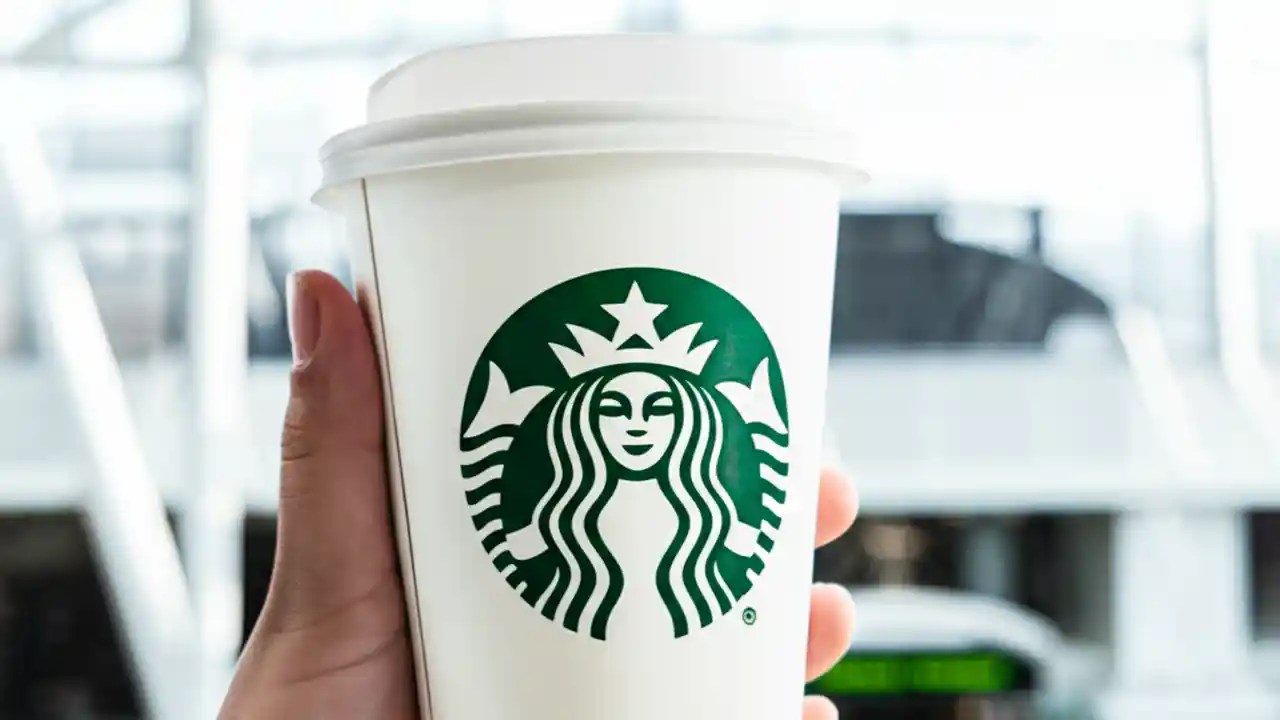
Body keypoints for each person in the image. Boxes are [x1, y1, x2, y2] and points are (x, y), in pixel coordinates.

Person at [219, 270, 860, 720]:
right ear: (580, 420)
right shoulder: (545, 534)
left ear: (692, 419)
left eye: (658, 407)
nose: (636, 425)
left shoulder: (718, 533)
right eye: (615, 408)